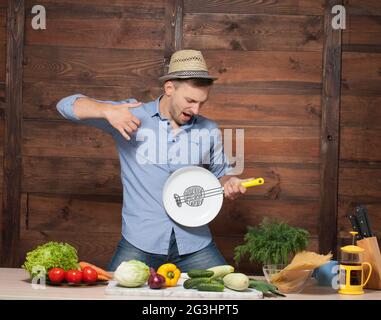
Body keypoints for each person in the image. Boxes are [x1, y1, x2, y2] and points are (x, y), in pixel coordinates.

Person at [56, 49, 249, 272]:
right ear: (169, 88)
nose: (195, 109)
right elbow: (65, 106)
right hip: (140, 242)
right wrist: (107, 110)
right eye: (190, 100)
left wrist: (230, 181)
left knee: (230, 295)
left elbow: (221, 172)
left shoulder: (209, 129)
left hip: (194, 243)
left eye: (201, 103)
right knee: (111, 295)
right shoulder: (130, 115)